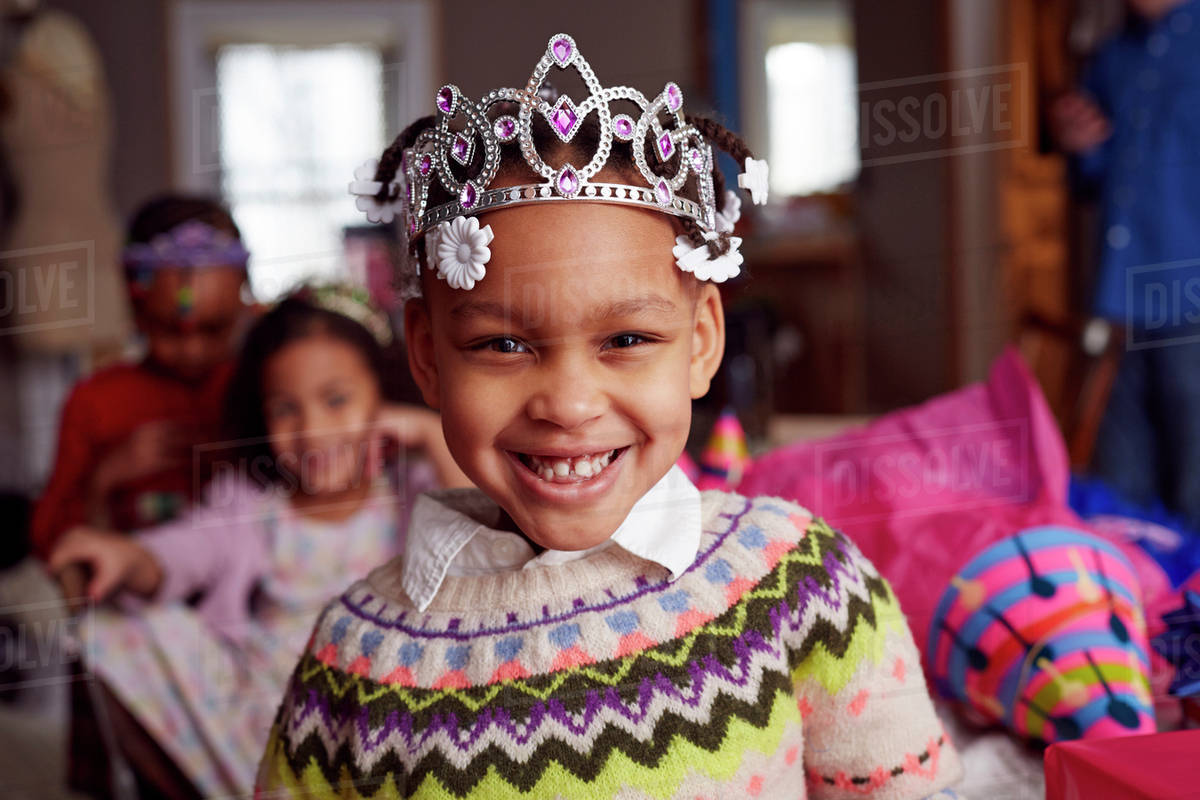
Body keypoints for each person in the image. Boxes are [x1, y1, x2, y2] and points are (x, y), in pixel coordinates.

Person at [257, 33, 964, 799]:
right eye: (502, 344)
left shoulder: (800, 584)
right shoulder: (353, 657)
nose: (569, 404)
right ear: (428, 356)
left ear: (701, 343)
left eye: (626, 340)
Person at [48, 287, 470, 797]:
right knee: (112, 625)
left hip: (387, 706)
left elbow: (478, 543)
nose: (312, 431)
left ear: (381, 394)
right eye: (285, 409)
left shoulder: (412, 489)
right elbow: (186, 549)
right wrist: (129, 556)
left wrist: (430, 432)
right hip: (272, 714)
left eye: (337, 400)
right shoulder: (252, 501)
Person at [30, 195, 253, 558]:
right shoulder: (94, 401)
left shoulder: (259, 390)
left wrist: (242, 464)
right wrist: (104, 478)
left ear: (244, 303)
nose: (192, 350)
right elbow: (49, 539)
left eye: (214, 329)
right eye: (168, 329)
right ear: (135, 305)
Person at [1050, 0, 1200, 533]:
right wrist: (1081, 146)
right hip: (1121, 300)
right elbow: (1096, 178)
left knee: (1193, 485)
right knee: (1121, 489)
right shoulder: (1112, 55)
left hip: (1189, 301)